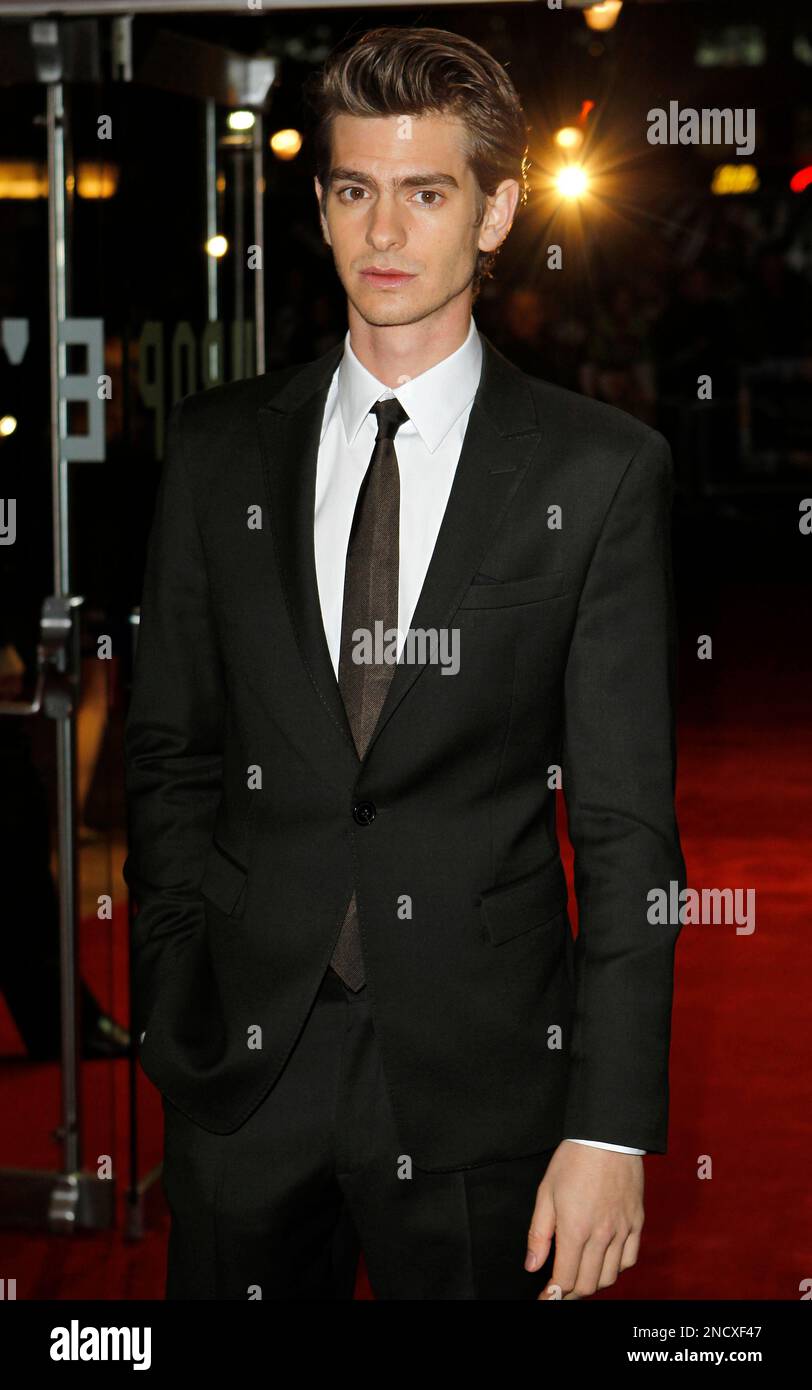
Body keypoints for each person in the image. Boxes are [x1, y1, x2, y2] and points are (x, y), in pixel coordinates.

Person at [122, 26, 687, 1301]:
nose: (384, 230)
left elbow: (623, 828)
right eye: (353, 188)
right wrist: (174, 987)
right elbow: (169, 751)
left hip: (481, 1077)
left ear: (494, 215)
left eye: (425, 192)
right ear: (320, 205)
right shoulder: (217, 456)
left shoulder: (594, 473)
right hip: (243, 1068)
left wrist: (608, 1126)